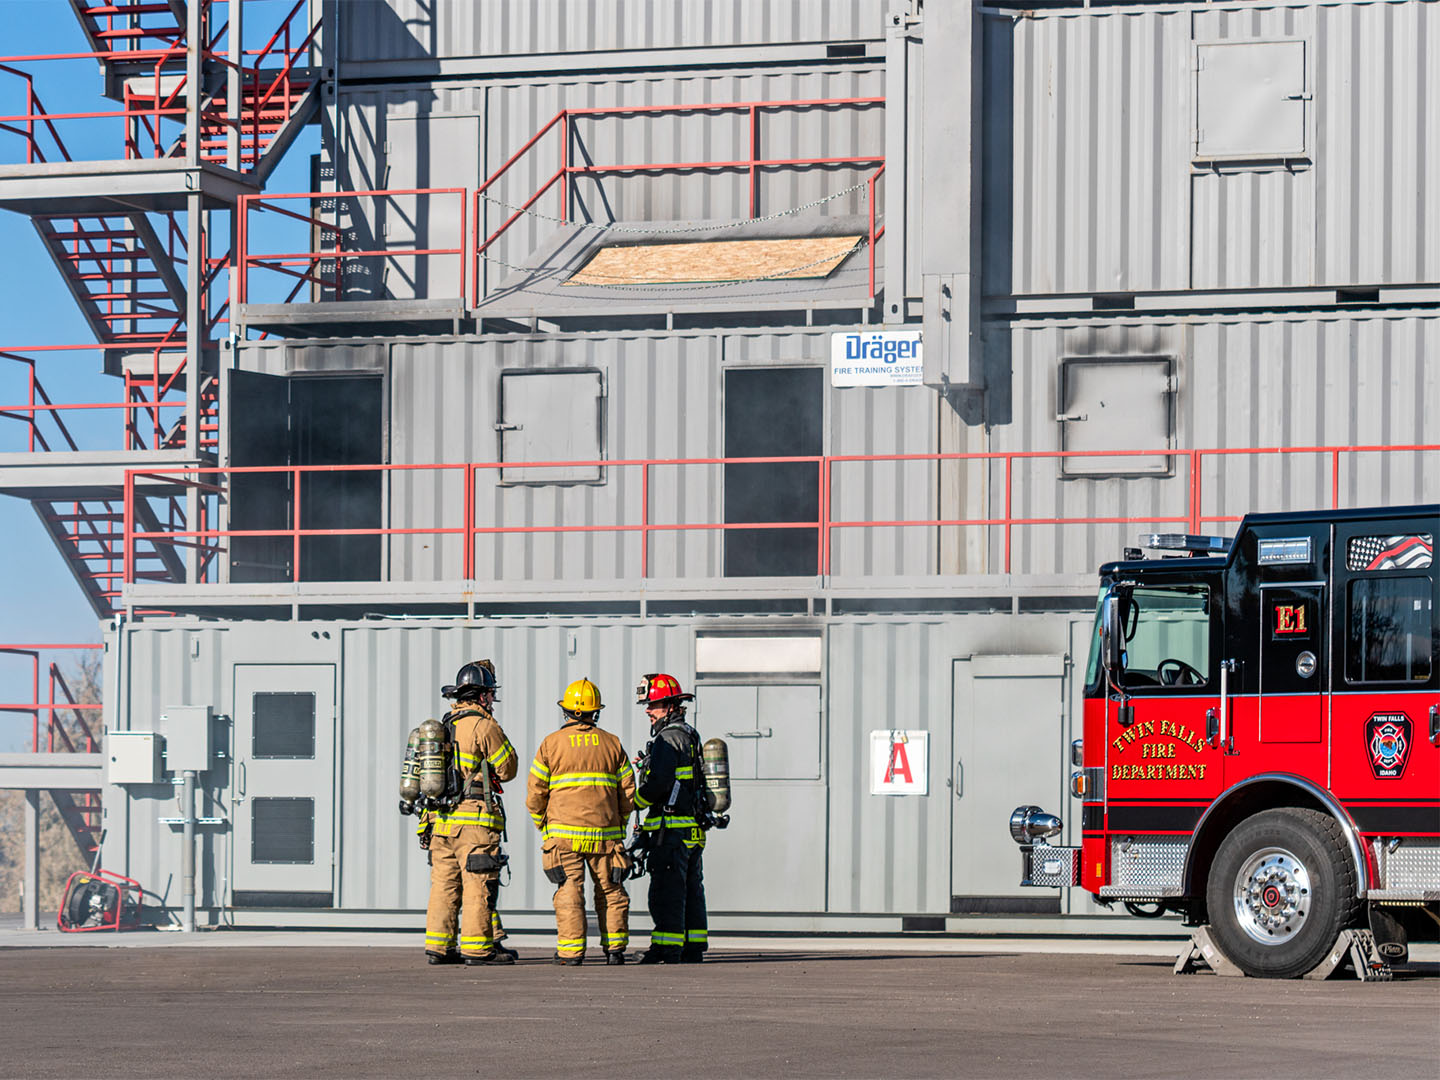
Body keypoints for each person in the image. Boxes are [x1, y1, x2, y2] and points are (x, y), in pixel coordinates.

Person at [526, 678, 635, 966]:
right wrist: (619, 824)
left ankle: (571, 953)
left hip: (563, 837)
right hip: (605, 836)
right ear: (594, 712)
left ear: (566, 711)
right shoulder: (612, 743)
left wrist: (544, 826)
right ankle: (615, 950)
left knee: (569, 892)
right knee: (611, 890)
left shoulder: (551, 744)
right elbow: (628, 792)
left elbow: (535, 793)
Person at [419, 660, 519, 966]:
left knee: (444, 886)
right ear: (483, 695)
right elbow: (508, 768)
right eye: (491, 694)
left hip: (441, 822)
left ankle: (439, 948)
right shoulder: (483, 726)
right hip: (474, 823)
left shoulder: (443, 725)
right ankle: (477, 950)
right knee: (478, 885)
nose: (492, 699)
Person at [633, 673, 708, 964]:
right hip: (692, 830)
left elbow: (660, 785)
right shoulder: (689, 733)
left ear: (671, 706)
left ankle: (666, 947)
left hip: (671, 831)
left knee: (666, 891)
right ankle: (693, 946)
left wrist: (633, 802)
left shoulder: (667, 738)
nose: (648, 711)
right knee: (691, 888)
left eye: (653, 705)